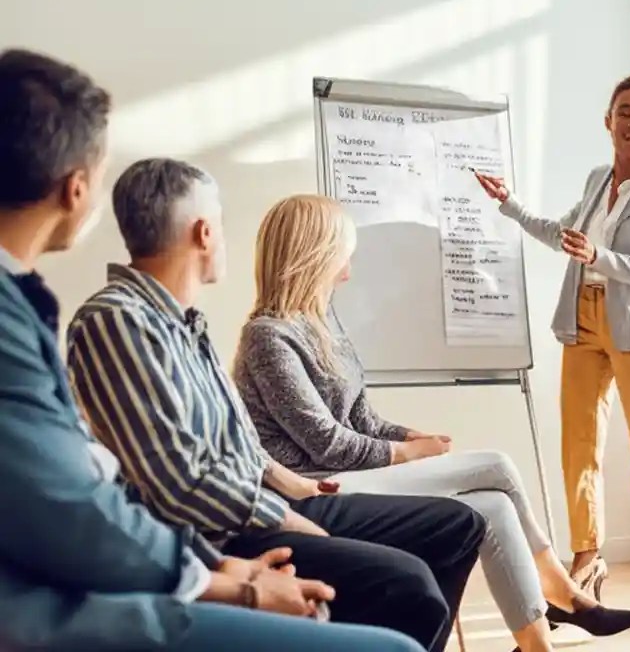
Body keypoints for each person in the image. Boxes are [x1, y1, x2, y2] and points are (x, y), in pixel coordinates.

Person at [0, 48, 424, 652]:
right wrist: (228, 579)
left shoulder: (117, 316)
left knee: (428, 553)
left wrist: (233, 556)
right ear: (75, 188)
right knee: (395, 622)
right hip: (48, 602)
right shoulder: (100, 320)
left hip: (129, 557)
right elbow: (87, 504)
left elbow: (93, 481)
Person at [65, 157, 487, 652]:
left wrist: (292, 485)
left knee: (457, 526)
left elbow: (233, 439)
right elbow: (177, 482)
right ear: (203, 233)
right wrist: (288, 516)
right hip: (221, 533)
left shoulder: (183, 324)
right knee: (409, 586)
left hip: (261, 503)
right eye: (221, 224)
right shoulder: (118, 322)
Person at [232, 193, 630, 652]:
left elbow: (359, 416)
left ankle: (536, 642)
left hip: (348, 473)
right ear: (314, 257)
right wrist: (405, 454)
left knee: (493, 505)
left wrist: (408, 435)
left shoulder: (322, 320)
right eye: (342, 254)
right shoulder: (267, 338)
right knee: (498, 466)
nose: (349, 269)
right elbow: (326, 443)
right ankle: (563, 592)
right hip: (316, 487)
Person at [474, 74, 630, 626]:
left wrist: (599, 257)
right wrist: (511, 206)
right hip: (583, 321)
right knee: (579, 445)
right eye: (625, 112)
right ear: (608, 120)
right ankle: (586, 559)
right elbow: (563, 233)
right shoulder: (599, 180)